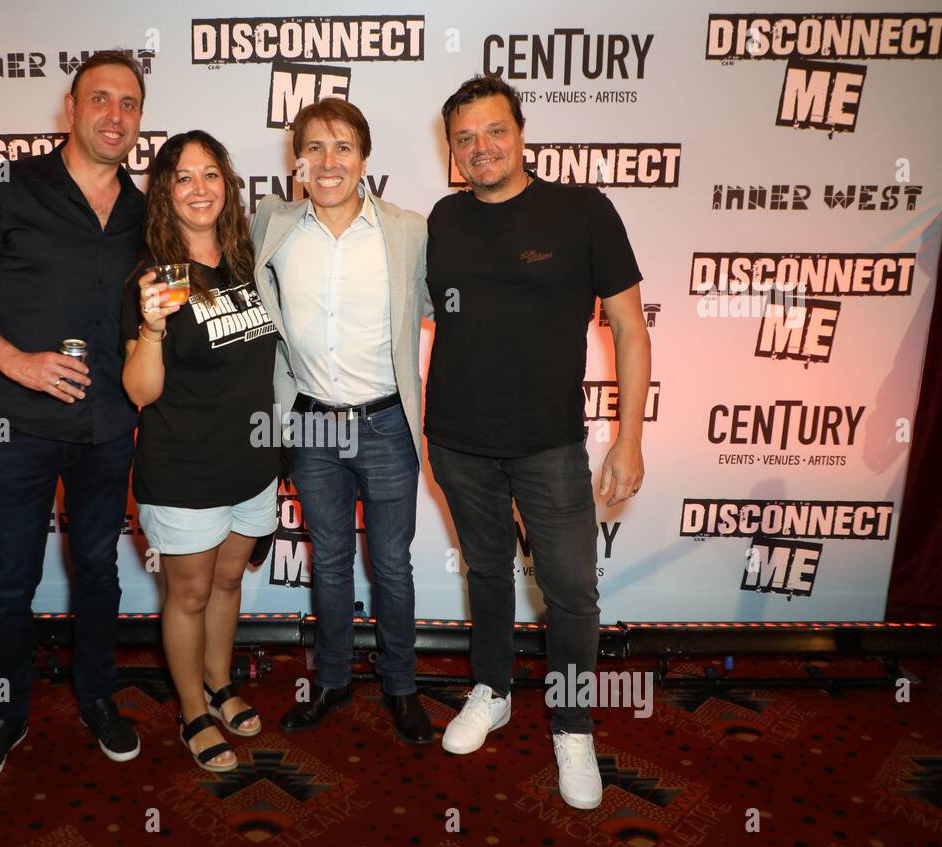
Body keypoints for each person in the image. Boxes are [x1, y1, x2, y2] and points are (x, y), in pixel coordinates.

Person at [425, 75, 650, 809]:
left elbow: (628, 327)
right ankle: (491, 689)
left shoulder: (582, 211)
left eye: (494, 131)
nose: (480, 148)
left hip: (550, 443)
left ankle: (573, 722)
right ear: (451, 151)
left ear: (521, 134)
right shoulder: (443, 220)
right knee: (487, 573)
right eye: (464, 138)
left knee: (572, 593)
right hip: (456, 438)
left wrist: (628, 439)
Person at [0, 51, 148, 788]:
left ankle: (98, 698)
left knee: (97, 572)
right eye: (101, 100)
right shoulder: (8, 186)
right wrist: (16, 361)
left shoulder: (147, 211)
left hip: (110, 426)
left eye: (129, 104)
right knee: (11, 580)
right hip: (14, 424)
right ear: (71, 108)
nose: (115, 116)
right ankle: (4, 713)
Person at [251, 98, 435, 744]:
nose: (330, 163)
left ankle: (402, 687)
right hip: (311, 426)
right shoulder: (268, 227)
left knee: (391, 565)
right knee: (328, 560)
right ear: (295, 159)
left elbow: (459, 308)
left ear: (365, 159)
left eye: (344, 148)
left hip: (387, 423)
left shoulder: (408, 231)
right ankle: (330, 681)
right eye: (315, 149)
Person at [124, 131, 279, 772]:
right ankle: (192, 711)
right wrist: (153, 330)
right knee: (187, 596)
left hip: (253, 464)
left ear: (227, 185)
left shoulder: (248, 260)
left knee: (226, 581)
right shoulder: (153, 274)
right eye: (183, 177)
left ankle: (219, 684)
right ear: (165, 192)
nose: (198, 188)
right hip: (184, 469)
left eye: (210, 174)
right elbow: (140, 390)